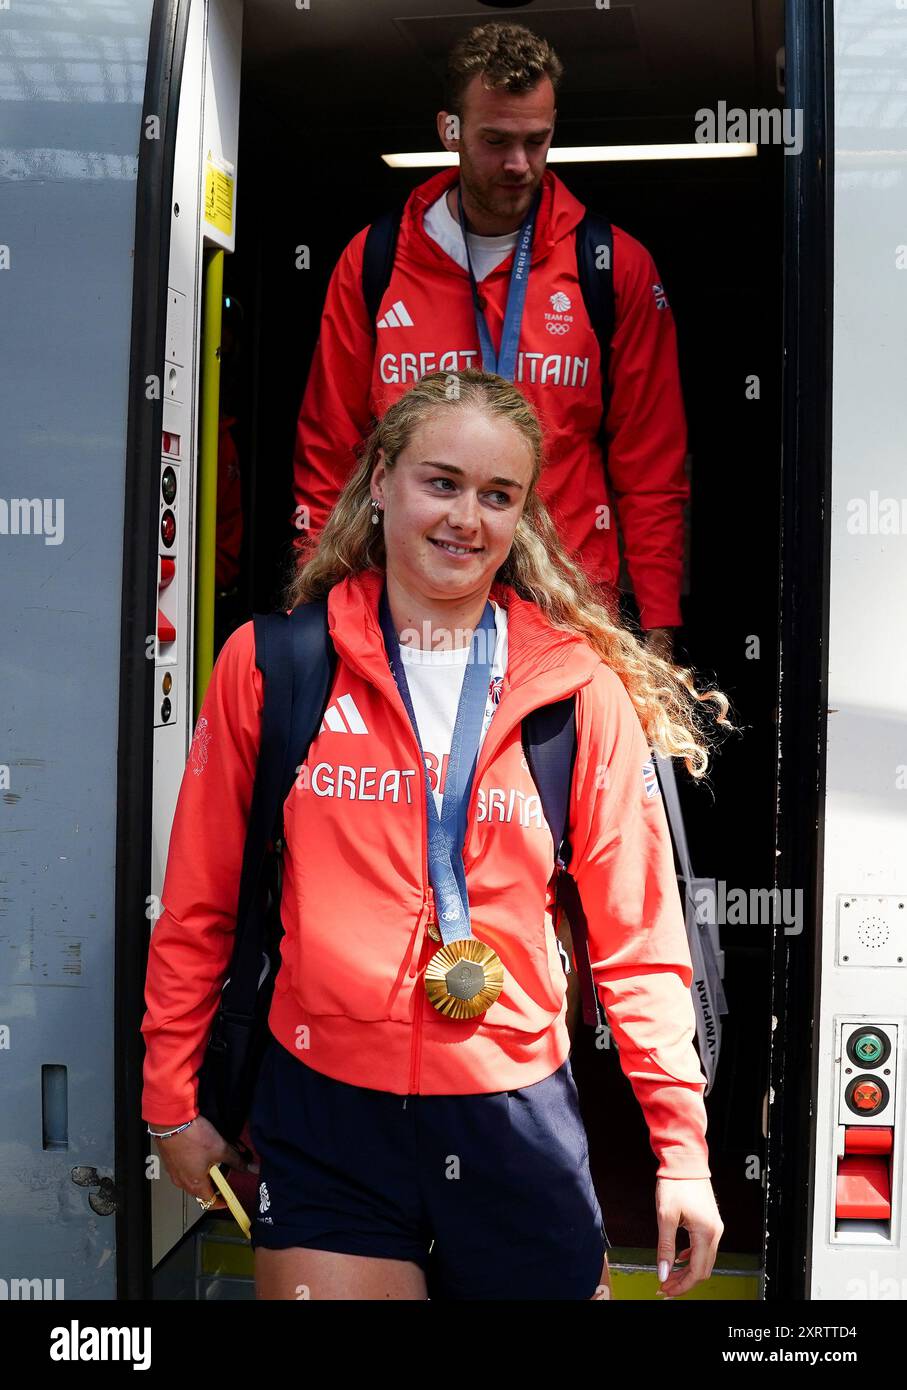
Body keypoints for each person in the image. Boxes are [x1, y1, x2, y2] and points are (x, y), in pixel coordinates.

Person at [142, 368, 728, 1301]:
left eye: (498, 495)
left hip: (514, 1121)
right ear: (380, 481)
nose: (467, 518)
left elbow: (640, 944)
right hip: (327, 1115)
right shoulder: (275, 664)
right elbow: (198, 905)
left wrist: (682, 1154)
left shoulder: (573, 691)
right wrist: (172, 1102)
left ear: (523, 515)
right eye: (441, 482)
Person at [291, 22, 689, 664]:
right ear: (449, 130)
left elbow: (652, 465)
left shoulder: (613, 266)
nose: (519, 164)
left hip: (569, 603)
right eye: (495, 140)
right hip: (406, 604)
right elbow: (330, 445)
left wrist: (659, 621)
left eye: (538, 141)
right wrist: (318, 593)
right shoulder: (374, 261)